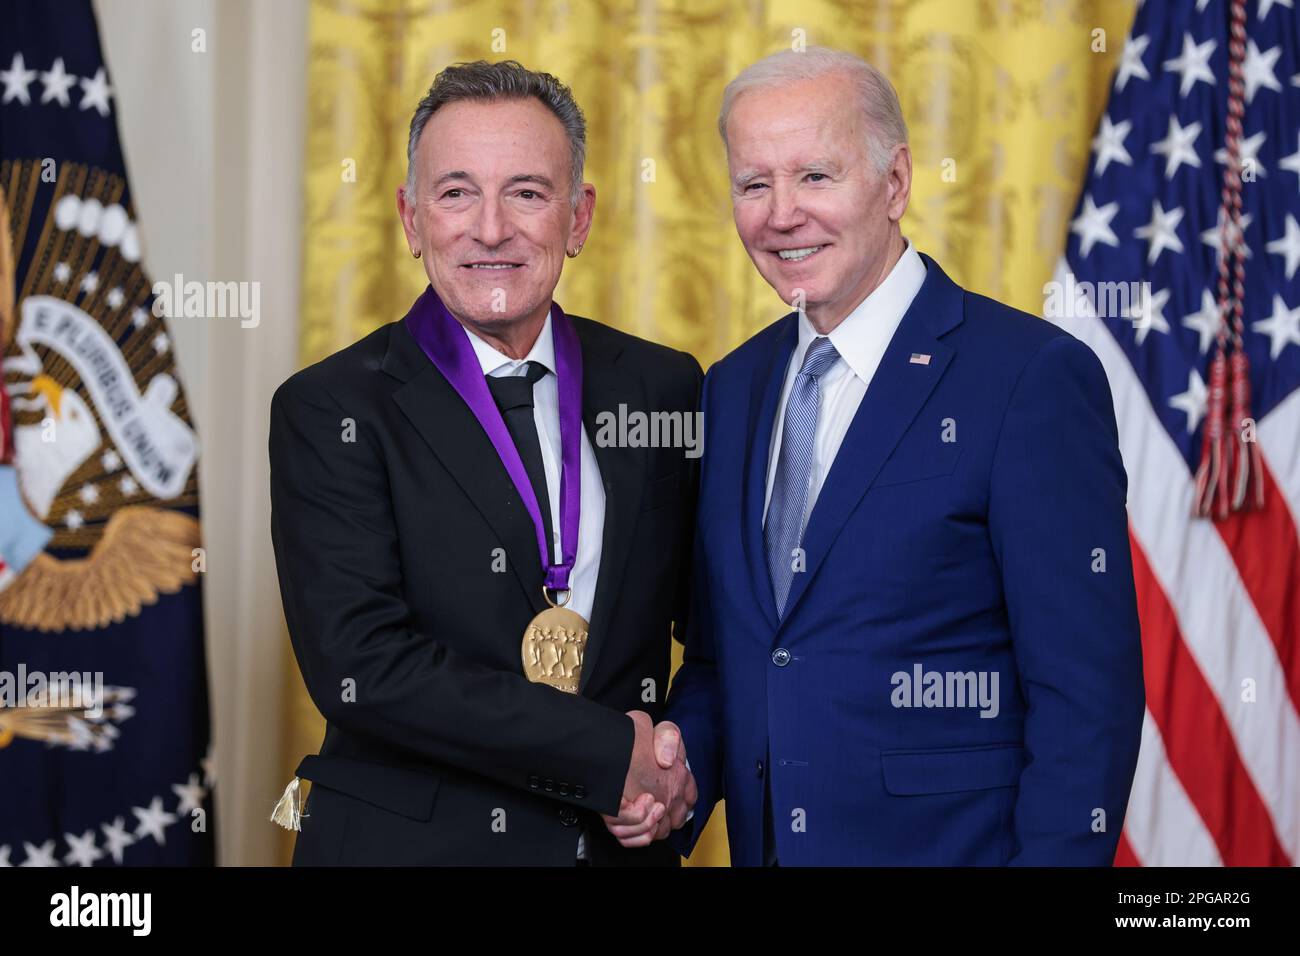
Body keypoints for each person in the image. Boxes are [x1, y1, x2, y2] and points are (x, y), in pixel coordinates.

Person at [618, 47, 1144, 865]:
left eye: (815, 177)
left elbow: (1087, 700)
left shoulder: (1028, 379)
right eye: (755, 184)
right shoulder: (730, 388)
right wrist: (673, 781)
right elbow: (731, 657)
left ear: (895, 182)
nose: (782, 214)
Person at [270, 59, 697, 865]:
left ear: (578, 218)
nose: (490, 228)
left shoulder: (662, 386)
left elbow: (716, 634)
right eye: (456, 192)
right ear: (410, 217)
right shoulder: (329, 408)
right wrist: (611, 757)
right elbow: (366, 667)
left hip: (619, 851)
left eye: (528, 193)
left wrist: (677, 769)